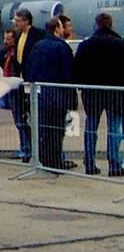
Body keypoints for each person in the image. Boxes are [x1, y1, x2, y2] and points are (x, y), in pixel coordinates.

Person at [75, 13, 123, 176]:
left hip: (92, 92)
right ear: (111, 24)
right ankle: (115, 164)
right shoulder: (119, 44)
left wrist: (81, 86)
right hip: (115, 93)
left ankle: (89, 163)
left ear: (96, 24)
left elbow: (78, 68)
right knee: (114, 129)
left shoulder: (86, 45)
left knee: (91, 127)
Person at [26, 16, 75, 169]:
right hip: (57, 93)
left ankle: (44, 159)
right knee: (57, 129)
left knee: (43, 129)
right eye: (61, 27)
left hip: (40, 94)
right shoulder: (61, 47)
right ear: (56, 29)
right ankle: (55, 161)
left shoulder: (38, 45)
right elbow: (67, 73)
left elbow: (31, 67)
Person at [11, 8, 46, 162]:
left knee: (37, 118)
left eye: (18, 20)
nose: (15, 23)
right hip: (22, 80)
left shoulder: (38, 35)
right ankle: (28, 150)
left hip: (34, 81)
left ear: (26, 21)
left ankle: (38, 152)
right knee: (24, 118)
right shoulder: (19, 36)